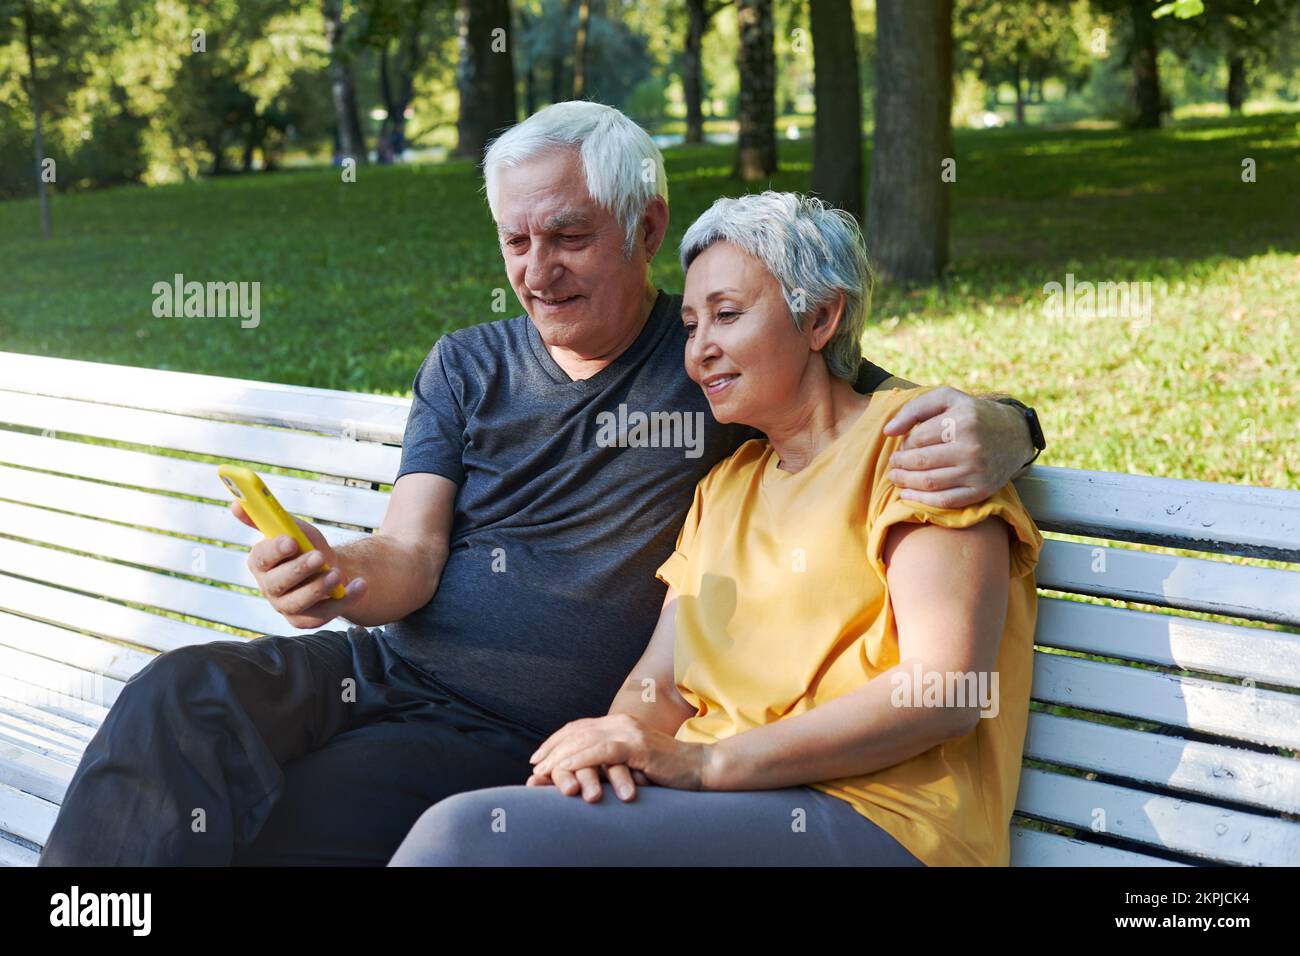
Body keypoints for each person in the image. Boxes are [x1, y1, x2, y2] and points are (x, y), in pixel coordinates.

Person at [38, 103, 1043, 867]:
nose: (537, 269)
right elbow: (412, 557)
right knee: (180, 690)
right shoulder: (484, 370)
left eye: (567, 237)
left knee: (296, 824)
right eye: (516, 242)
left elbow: (867, 400)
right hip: (395, 671)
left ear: (644, 227)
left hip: (522, 735)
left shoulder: (732, 381)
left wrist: (1009, 425)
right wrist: (339, 567)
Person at [389, 192, 1043, 868]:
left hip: (880, 820)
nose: (699, 352)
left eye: (727, 316)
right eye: (692, 325)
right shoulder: (727, 485)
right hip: (720, 807)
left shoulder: (917, 447)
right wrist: (618, 745)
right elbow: (661, 686)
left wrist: (706, 763)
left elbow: (943, 692)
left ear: (820, 317)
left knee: (464, 838)